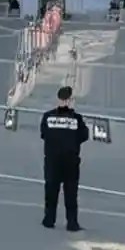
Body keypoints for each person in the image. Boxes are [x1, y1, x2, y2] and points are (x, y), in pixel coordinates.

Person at [40, 86, 90, 232]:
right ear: (70, 100)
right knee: (71, 194)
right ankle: (72, 223)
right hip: (70, 161)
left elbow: (44, 134)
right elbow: (84, 136)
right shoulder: (76, 119)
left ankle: (49, 219)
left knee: (51, 191)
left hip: (52, 160)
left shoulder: (48, 117)